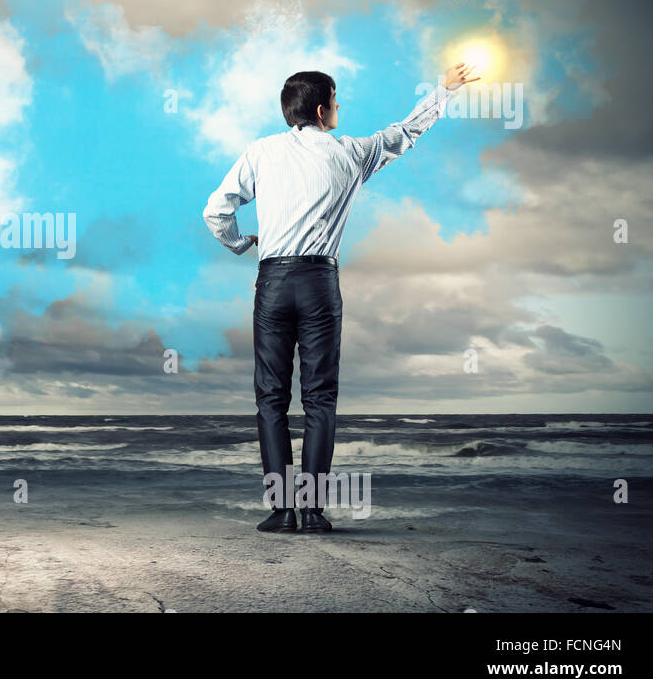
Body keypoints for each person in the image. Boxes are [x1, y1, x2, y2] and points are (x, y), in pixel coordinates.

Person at [203, 62, 480, 533]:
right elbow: (404, 133)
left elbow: (216, 211)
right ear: (321, 107)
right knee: (320, 400)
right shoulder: (351, 153)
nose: (339, 107)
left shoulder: (261, 152)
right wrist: (444, 92)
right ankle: (311, 512)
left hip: (271, 282)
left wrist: (240, 243)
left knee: (270, 398)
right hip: (319, 284)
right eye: (336, 99)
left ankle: (280, 509)